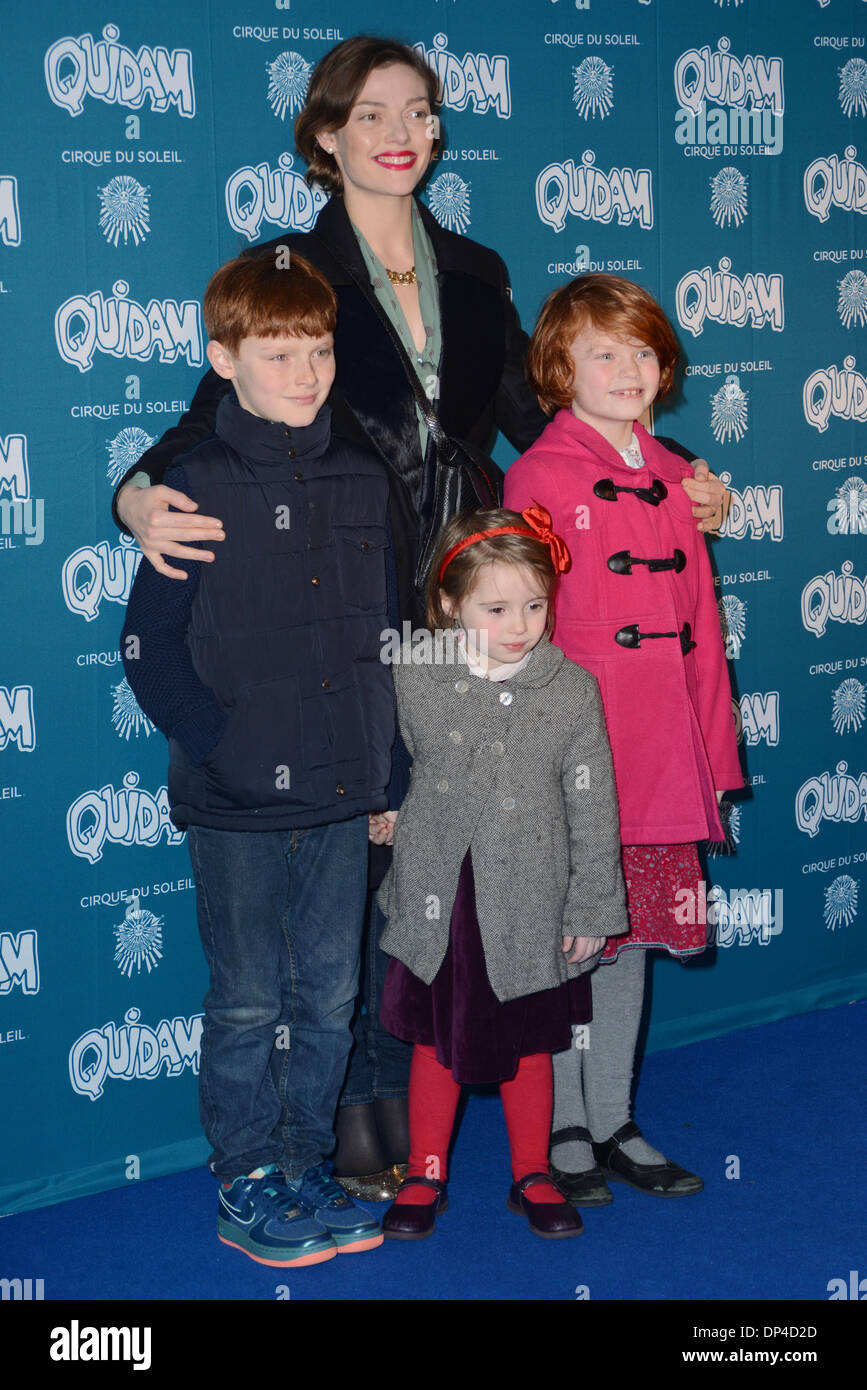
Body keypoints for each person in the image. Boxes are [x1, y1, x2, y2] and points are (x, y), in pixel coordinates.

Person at [110, 36, 730, 1198]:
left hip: (466, 599)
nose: (404, 129)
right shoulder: (294, 267)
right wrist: (135, 493)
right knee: (356, 841)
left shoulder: (482, 272)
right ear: (327, 135)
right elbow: (212, 408)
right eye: (374, 110)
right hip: (341, 596)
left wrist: (678, 464)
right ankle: (357, 1102)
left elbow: (548, 413)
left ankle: (426, 1073)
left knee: (435, 856)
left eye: (424, 110)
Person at [120, 250, 398, 1266]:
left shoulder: (363, 477)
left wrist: (389, 777)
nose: (305, 372)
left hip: (340, 790)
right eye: (277, 353)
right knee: (247, 997)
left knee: (329, 993)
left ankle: (304, 1157)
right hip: (236, 799)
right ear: (222, 359)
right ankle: (245, 1175)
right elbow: (147, 647)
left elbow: (382, 639)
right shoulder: (189, 484)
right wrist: (224, 746)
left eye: (318, 350)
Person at [503, 274, 744, 1206]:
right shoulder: (536, 477)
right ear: (560, 369)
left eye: (643, 350)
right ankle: (562, 1121)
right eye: (604, 351)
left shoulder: (681, 475)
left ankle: (613, 1118)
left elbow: (700, 630)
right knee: (573, 942)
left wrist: (708, 754)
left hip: (660, 760)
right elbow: (518, 633)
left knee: (631, 940)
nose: (629, 368)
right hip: (578, 762)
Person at [373, 507, 630, 1241]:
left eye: (534, 605)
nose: (519, 624)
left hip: (530, 896)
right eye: (495, 608)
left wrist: (589, 904)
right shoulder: (413, 669)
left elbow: (593, 805)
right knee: (432, 1035)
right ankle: (425, 1170)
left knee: (526, 1039)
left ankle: (533, 1172)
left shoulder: (570, 689)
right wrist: (385, 807)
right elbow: (383, 752)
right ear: (450, 604)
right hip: (440, 892)